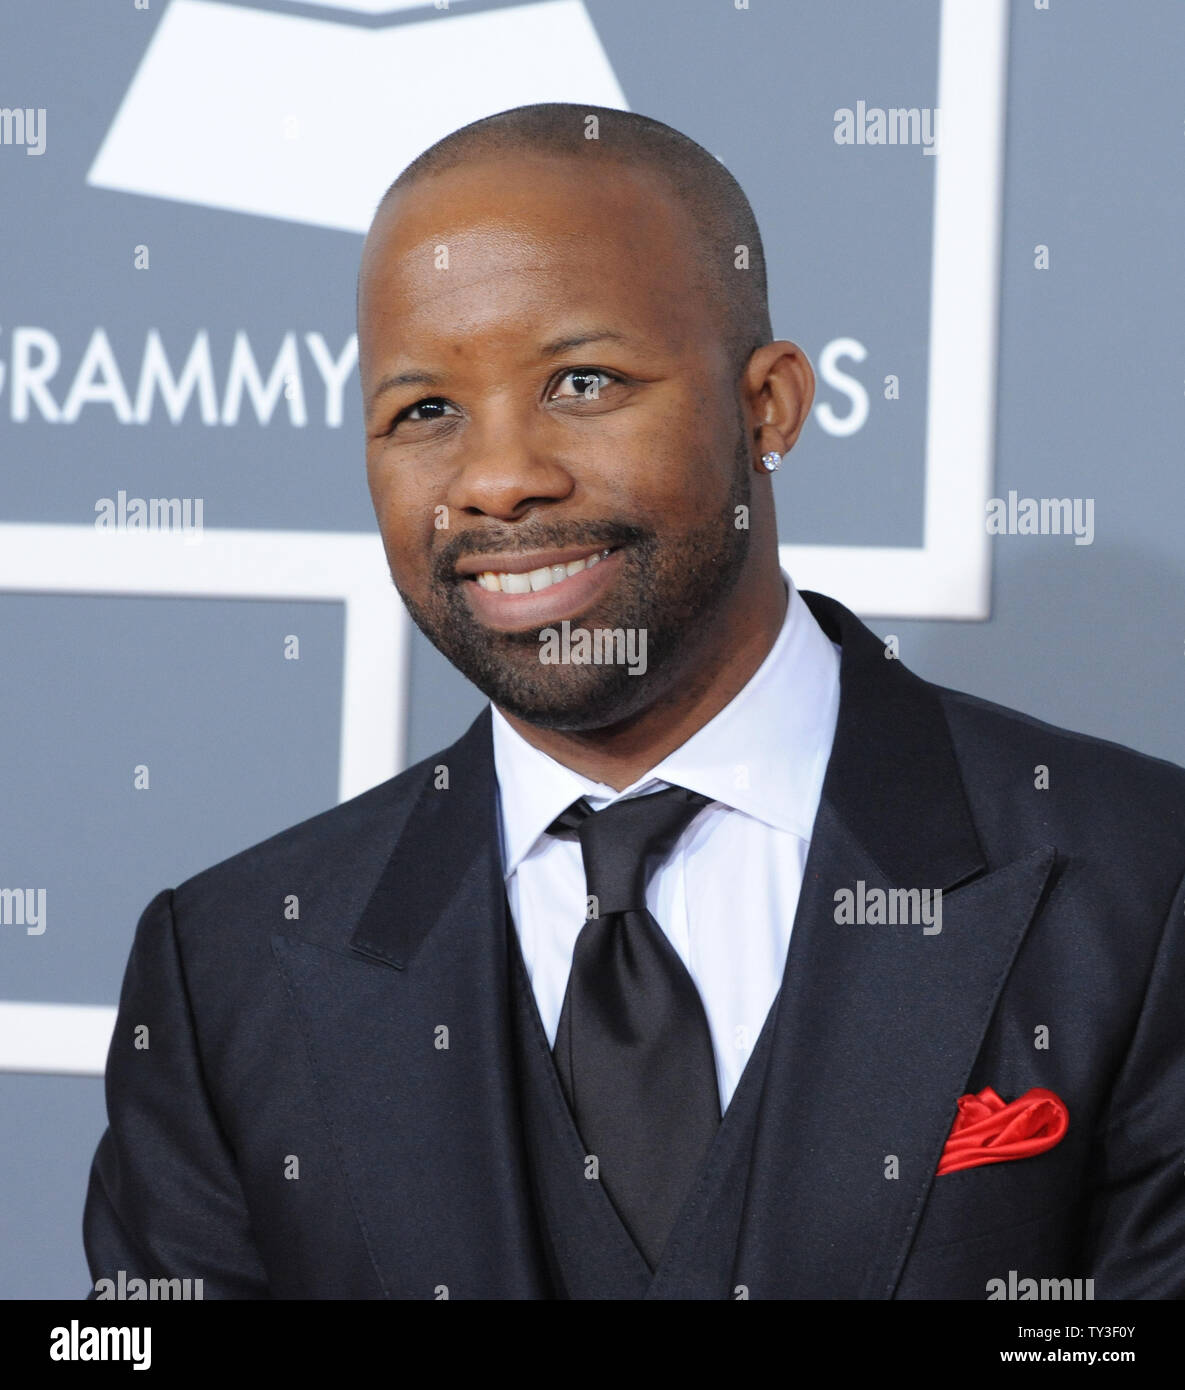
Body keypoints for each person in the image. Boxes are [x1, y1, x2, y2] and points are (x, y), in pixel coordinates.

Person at [84, 104, 1185, 1300]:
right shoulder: (231, 967)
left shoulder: (1136, 886)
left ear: (767, 408)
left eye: (583, 381)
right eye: (426, 412)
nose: (499, 480)